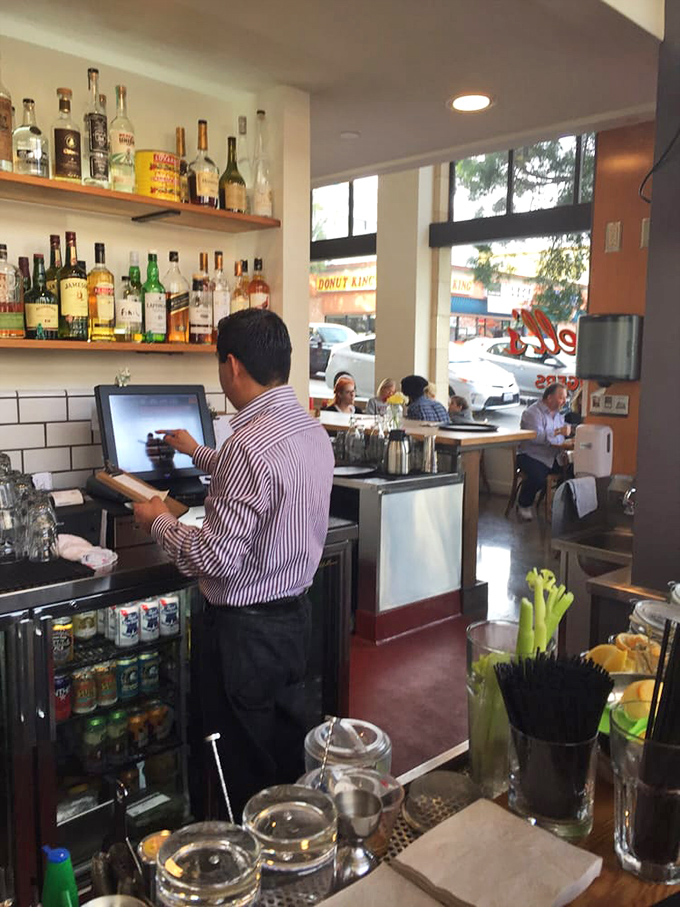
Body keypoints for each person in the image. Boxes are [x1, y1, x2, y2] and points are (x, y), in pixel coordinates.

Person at [132, 309, 335, 817]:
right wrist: (195, 450)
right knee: (282, 752)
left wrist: (157, 520)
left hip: (244, 638)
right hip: (294, 624)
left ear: (232, 366)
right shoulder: (311, 431)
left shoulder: (246, 444)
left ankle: (241, 873)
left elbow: (214, 557)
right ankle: (288, 859)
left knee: (237, 770)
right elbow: (255, 472)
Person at [516, 383, 573, 521]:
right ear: (549, 397)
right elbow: (536, 437)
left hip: (552, 455)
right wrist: (559, 431)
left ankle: (559, 506)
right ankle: (524, 504)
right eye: (561, 397)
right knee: (538, 475)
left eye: (565, 398)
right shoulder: (532, 413)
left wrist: (564, 438)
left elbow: (559, 439)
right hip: (531, 455)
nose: (564, 401)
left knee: (572, 471)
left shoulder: (559, 416)